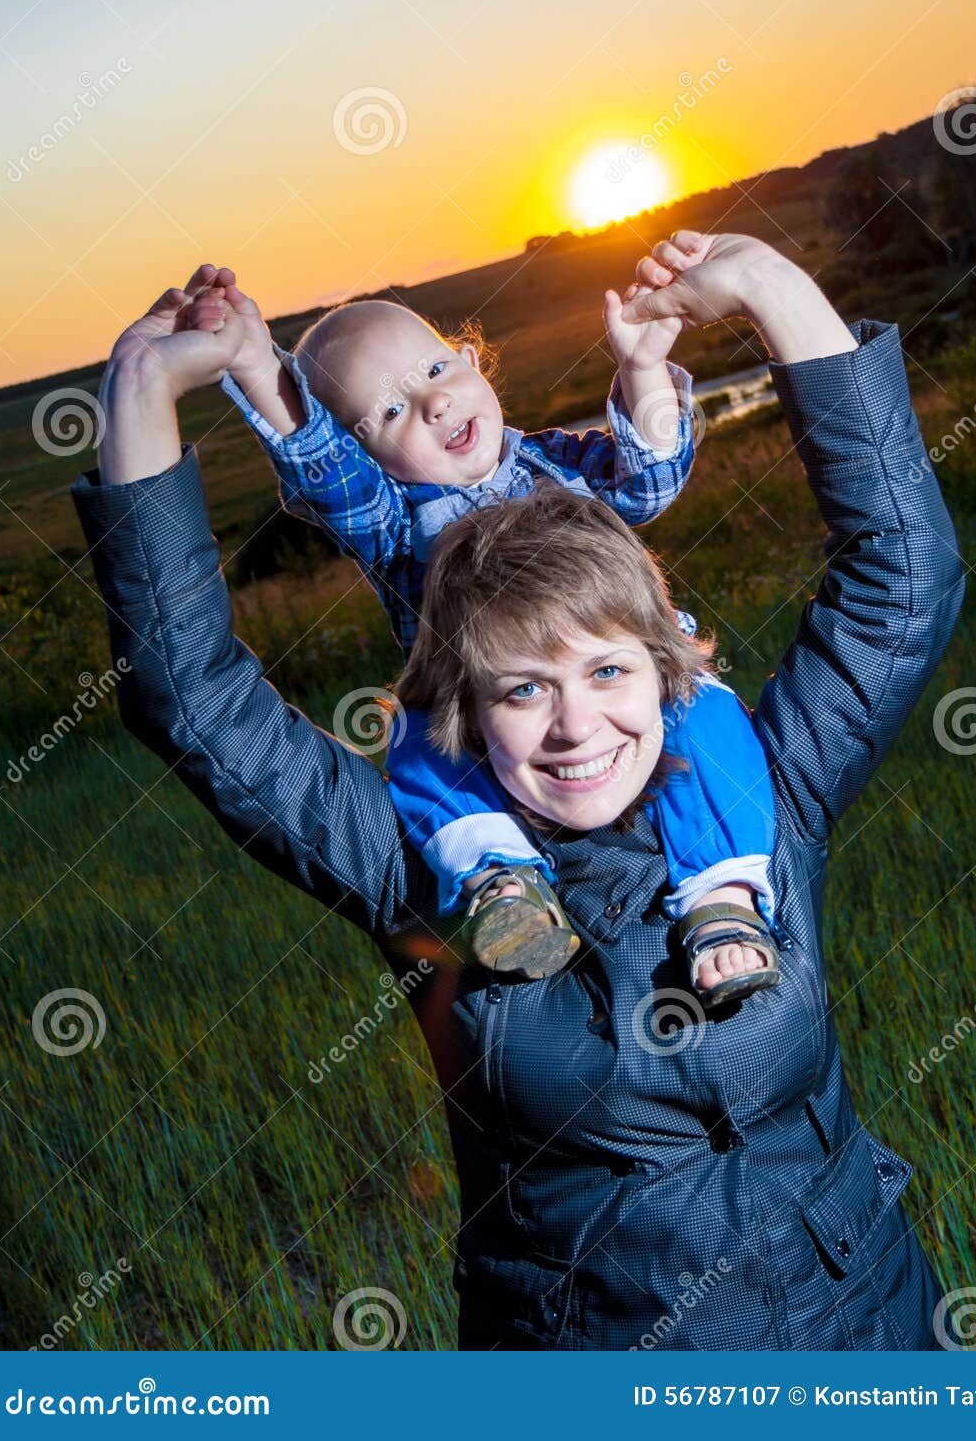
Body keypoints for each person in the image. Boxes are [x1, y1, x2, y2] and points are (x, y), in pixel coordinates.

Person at [71, 230, 965, 1350]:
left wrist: (765, 288)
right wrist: (145, 388)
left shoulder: (762, 784)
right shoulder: (419, 862)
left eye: (606, 671)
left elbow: (900, 581)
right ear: (458, 700)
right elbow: (191, 701)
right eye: (519, 688)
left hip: (871, 1336)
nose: (577, 725)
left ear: (668, 663)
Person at [173, 255, 777, 1001]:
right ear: (365, 453)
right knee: (417, 741)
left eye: (433, 370)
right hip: (478, 712)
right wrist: (255, 361)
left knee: (712, 717)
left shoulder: (555, 464)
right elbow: (320, 466)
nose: (429, 404)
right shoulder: (393, 524)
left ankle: (721, 901)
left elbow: (648, 480)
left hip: (637, 677)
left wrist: (643, 367)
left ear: (470, 359)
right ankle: (503, 882)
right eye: (389, 412)